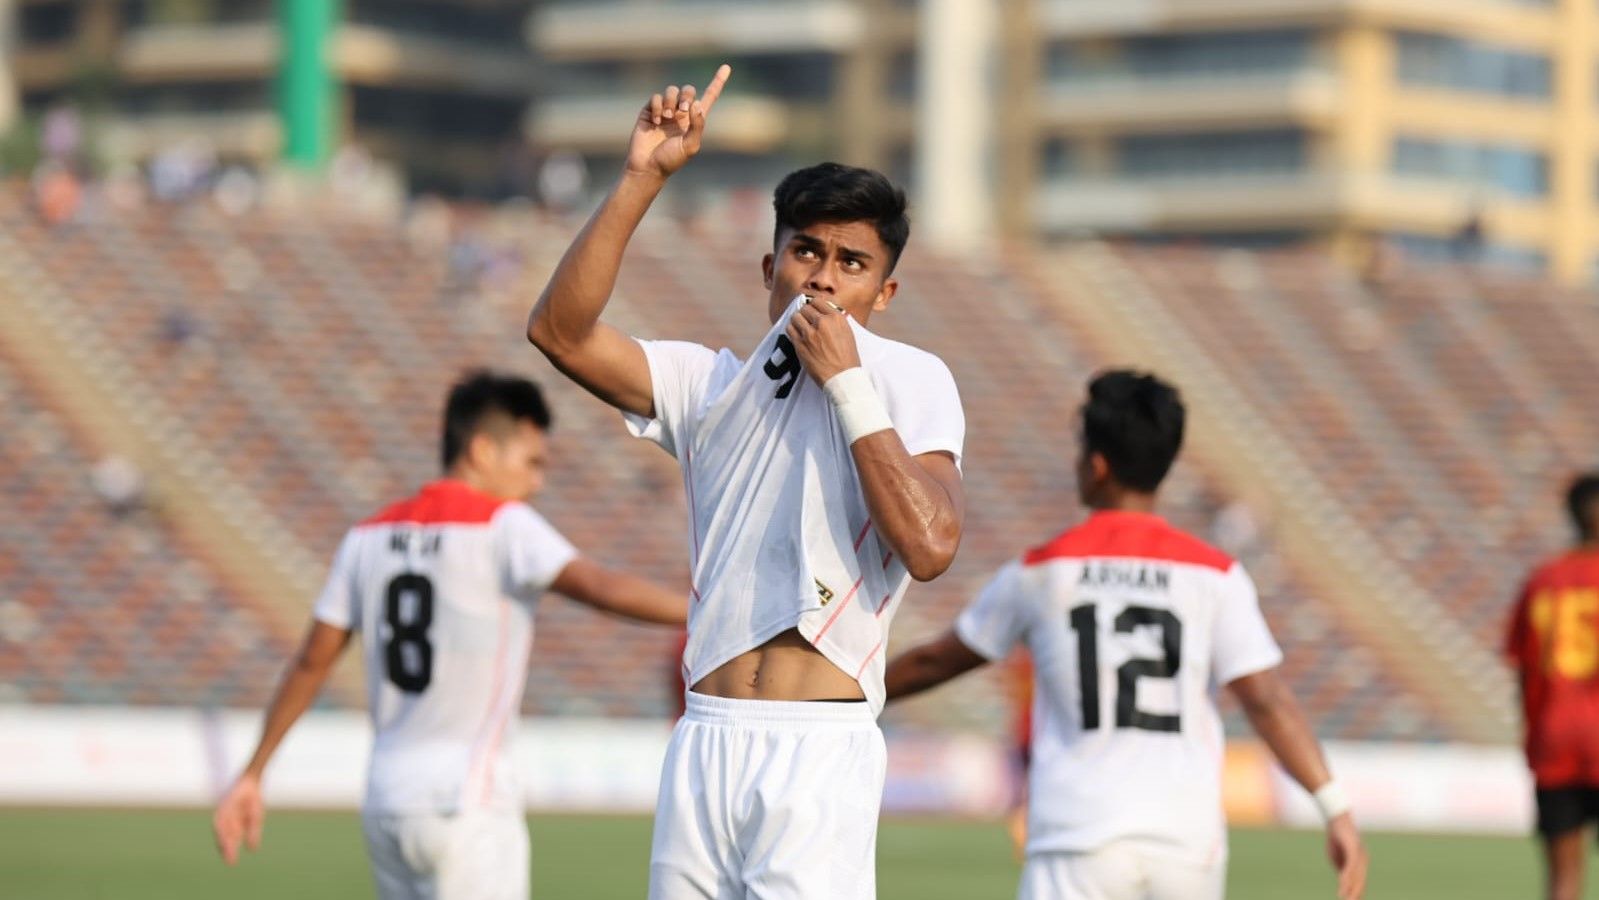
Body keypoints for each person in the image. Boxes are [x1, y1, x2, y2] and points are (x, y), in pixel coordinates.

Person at [526, 65, 966, 899]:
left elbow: (931, 545)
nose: (823, 277)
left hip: (818, 749)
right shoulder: (709, 384)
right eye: (806, 251)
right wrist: (641, 177)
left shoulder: (910, 379)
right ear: (770, 266)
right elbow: (559, 332)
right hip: (704, 738)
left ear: (884, 291)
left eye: (851, 261)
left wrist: (846, 384)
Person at [883, 370, 1367, 900]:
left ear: (1096, 465)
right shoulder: (1216, 576)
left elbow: (936, 661)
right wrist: (1334, 807)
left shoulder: (1042, 571)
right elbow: (1267, 700)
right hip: (1184, 843)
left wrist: (858, 692)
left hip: (1077, 837)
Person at [211, 371, 687, 899]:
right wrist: (700, 611)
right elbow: (597, 585)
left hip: (387, 802)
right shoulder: (504, 525)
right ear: (482, 450)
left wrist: (253, 772)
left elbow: (310, 662)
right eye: (532, 463)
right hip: (466, 802)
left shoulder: (365, 538)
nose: (536, 483)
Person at [1506, 472, 1599, 900]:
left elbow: (1522, 666)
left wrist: (1531, 735)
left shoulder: (1543, 579)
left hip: (1555, 735)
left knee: (1563, 878)